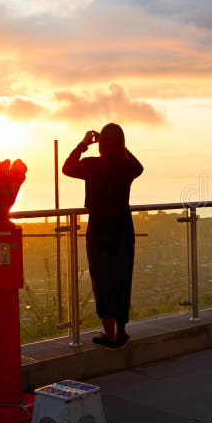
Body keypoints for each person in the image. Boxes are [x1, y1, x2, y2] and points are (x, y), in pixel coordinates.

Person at [63, 124, 143, 349]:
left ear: (100, 144)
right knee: (122, 277)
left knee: (102, 279)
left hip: (99, 227)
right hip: (123, 226)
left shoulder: (92, 165)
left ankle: (110, 335)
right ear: (122, 144)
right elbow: (140, 167)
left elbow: (67, 168)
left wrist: (84, 144)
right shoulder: (126, 166)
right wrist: (122, 149)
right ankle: (122, 331)